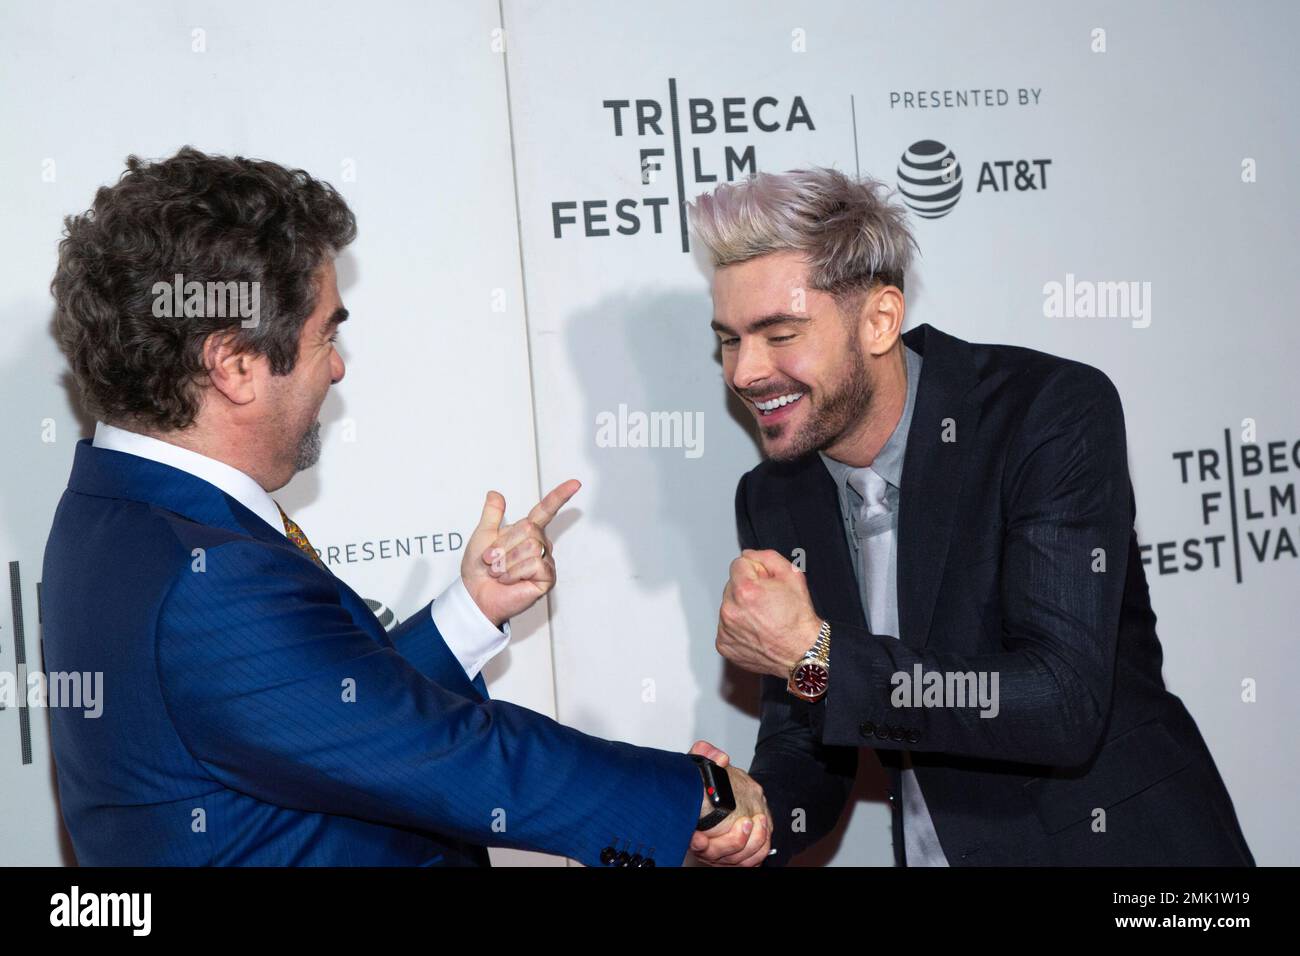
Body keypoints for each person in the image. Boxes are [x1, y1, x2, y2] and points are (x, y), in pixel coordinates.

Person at [42, 146, 768, 867]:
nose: (337, 364)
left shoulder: (110, 512)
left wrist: (470, 612)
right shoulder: (210, 580)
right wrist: (690, 793)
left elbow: (334, 717)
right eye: (325, 332)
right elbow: (455, 757)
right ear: (235, 365)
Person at [687, 167, 1255, 866]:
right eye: (729, 339)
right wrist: (758, 809)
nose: (743, 371)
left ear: (878, 320)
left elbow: (1060, 701)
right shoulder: (775, 496)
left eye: (779, 334)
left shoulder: (1046, 414)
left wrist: (818, 653)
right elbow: (810, 715)